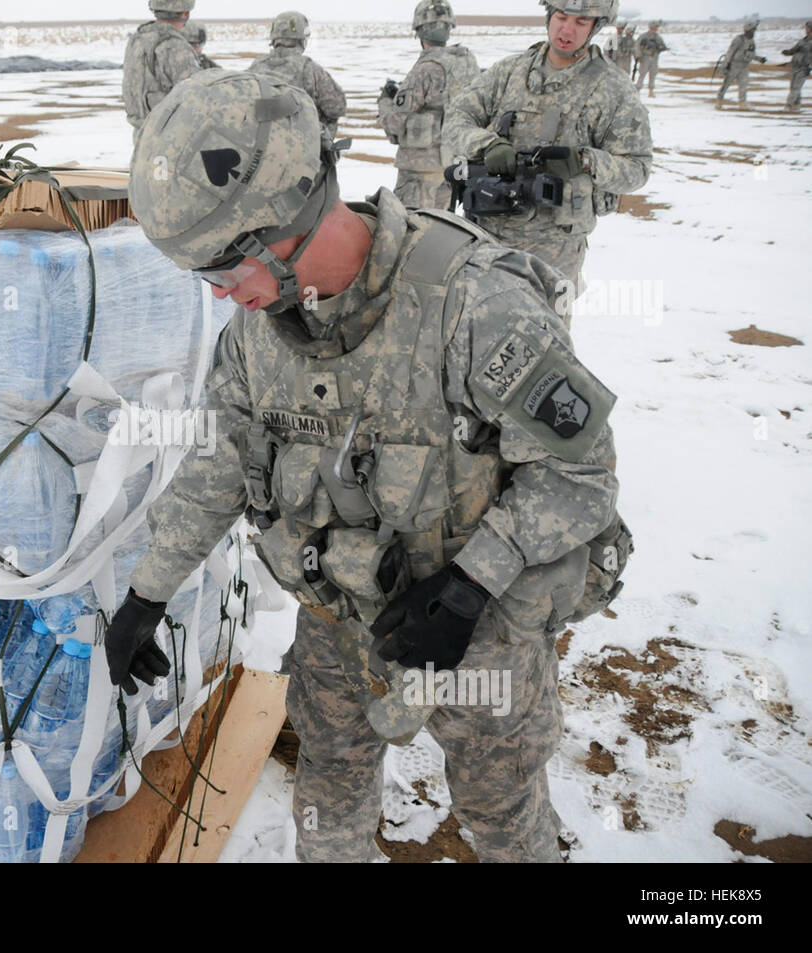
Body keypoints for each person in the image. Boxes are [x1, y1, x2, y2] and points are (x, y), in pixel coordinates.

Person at [110, 68, 625, 863]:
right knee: (329, 792)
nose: (218, 297)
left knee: (502, 814)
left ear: (285, 221)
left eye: (222, 270)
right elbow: (222, 463)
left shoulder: (473, 304)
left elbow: (581, 473)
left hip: (478, 633)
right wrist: (146, 594)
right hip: (338, 621)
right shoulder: (257, 332)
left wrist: (469, 586)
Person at [441, 0, 652, 290]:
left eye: (580, 22)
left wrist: (585, 160)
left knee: (542, 332)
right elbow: (456, 116)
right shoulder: (510, 72)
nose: (567, 30)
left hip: (554, 251)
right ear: (549, 15)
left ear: (596, 26)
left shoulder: (612, 89)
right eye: (561, 18)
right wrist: (487, 145)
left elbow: (637, 168)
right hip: (488, 234)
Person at [377, 1, 480, 210]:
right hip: (453, 165)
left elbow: (394, 123)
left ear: (420, 31)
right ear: (449, 28)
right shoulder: (467, 62)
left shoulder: (426, 68)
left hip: (420, 170)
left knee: (410, 230)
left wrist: (386, 101)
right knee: (440, 231)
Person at [247, 11, 348, 141]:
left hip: (259, 148)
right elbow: (337, 108)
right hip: (300, 148)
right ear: (301, 39)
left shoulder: (255, 67)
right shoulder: (309, 69)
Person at [123, 0, 201, 141]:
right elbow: (195, 95)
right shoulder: (174, 46)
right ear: (186, 13)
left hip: (141, 134)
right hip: (169, 137)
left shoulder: (137, 40)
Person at [717, 16, 767, 109]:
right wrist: (725, 65)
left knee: (743, 85)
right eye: (753, 30)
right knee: (726, 84)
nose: (754, 32)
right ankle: (719, 101)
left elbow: (751, 54)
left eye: (754, 30)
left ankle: (742, 103)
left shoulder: (751, 41)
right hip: (734, 66)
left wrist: (759, 59)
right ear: (748, 29)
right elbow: (730, 52)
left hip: (744, 66)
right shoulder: (738, 39)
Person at [782, 20, 812, 110]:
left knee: (796, 87)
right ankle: (796, 105)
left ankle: (788, 105)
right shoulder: (802, 41)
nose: (806, 30)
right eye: (806, 28)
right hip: (795, 66)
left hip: (804, 68)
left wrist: (809, 68)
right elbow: (794, 50)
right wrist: (787, 52)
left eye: (807, 28)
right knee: (793, 87)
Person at [634, 20, 668, 97]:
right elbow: (637, 46)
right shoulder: (644, 36)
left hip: (654, 58)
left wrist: (661, 48)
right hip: (645, 57)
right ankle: (638, 90)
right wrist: (638, 55)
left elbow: (662, 45)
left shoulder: (658, 37)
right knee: (642, 74)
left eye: (656, 27)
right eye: (654, 27)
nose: (655, 29)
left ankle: (651, 91)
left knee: (653, 74)